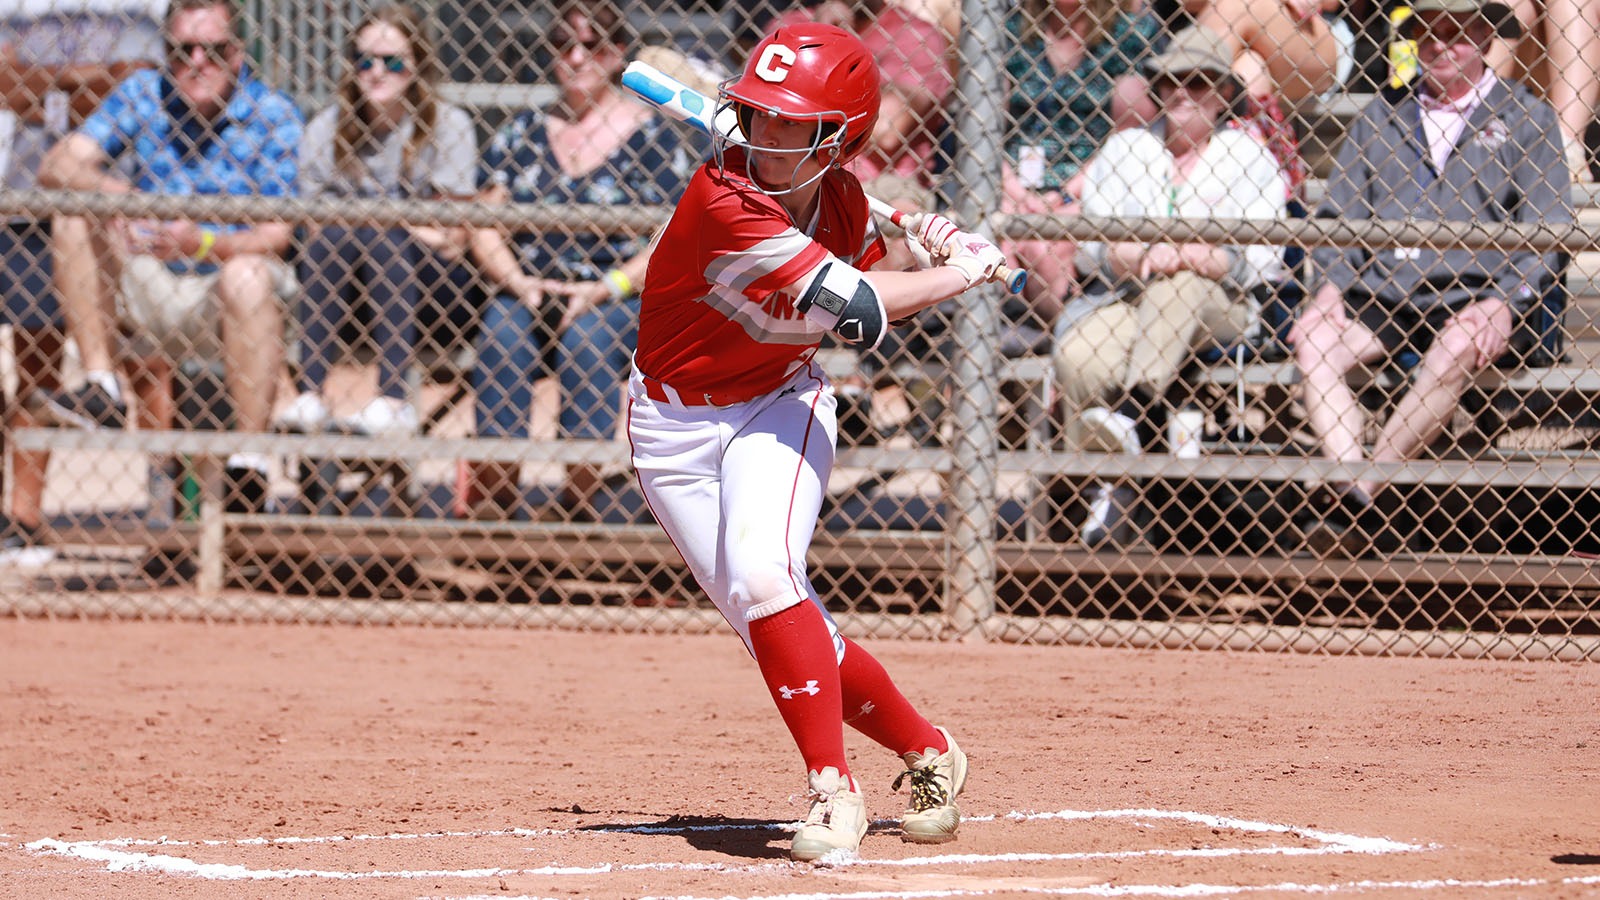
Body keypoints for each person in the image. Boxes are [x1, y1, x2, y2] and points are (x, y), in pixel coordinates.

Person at [627, 22, 1000, 860]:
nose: (766, 134)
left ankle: (833, 792)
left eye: (791, 123)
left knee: (767, 578)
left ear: (839, 140)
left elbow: (875, 271)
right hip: (670, 424)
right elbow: (859, 307)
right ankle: (930, 749)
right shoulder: (722, 201)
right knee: (773, 619)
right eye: (759, 114)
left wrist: (919, 242)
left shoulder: (844, 202)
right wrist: (962, 271)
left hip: (777, 402)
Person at [1288, 0, 1570, 555]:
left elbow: (1549, 233)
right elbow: (1339, 219)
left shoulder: (1526, 117)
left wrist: (1506, 302)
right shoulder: (1382, 114)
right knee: (1314, 342)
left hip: (1480, 293)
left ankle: (1358, 499)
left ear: (1485, 37)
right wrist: (1329, 290)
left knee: (1457, 345)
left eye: (1457, 32)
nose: (1440, 44)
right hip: (1388, 291)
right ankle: (1356, 494)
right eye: (1430, 31)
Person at [36, 0, 303, 513]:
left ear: (238, 54)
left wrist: (201, 242)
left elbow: (277, 236)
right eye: (182, 51)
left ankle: (248, 460)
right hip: (152, 278)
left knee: (247, 274)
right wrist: (124, 199)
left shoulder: (273, 113)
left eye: (214, 50)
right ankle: (101, 387)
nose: (197, 63)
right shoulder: (145, 93)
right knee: (73, 211)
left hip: (228, 291)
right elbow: (57, 164)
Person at [461, 0, 704, 521]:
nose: (575, 57)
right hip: (529, 285)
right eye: (562, 44)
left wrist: (607, 286)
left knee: (585, 341)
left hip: (616, 292)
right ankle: (497, 503)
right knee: (502, 336)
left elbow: (673, 238)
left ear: (617, 53)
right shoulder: (524, 130)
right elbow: (483, 222)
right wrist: (518, 281)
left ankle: (577, 502)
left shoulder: (652, 137)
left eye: (591, 44)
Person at [1055, 25, 1288, 547]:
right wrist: (1133, 254)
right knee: (1078, 354)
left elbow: (1266, 258)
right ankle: (1114, 480)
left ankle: (1131, 415)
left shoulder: (1248, 153)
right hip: (1133, 295)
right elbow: (1090, 246)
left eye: (1199, 81)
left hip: (1224, 302)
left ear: (1223, 93)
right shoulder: (1128, 147)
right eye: (1170, 80)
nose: (1182, 91)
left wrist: (1204, 256)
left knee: (1180, 282)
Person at [0, 0, 163, 563]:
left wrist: (48, 81)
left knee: (148, 362)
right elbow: (8, 86)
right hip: (25, 195)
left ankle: (164, 518)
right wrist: (85, 81)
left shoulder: (138, 5)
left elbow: (135, 85)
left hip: (123, 194)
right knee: (36, 356)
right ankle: (22, 518)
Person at [274, 3, 479, 439]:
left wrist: (379, 223)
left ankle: (393, 400)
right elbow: (315, 230)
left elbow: (453, 237)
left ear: (418, 66)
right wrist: (391, 222)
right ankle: (311, 395)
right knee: (341, 235)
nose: (377, 73)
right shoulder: (327, 128)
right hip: (346, 288)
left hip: (435, 294)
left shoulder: (448, 125)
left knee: (381, 235)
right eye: (365, 60)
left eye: (393, 62)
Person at [1001, 0, 1166, 341]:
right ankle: (1004, 335)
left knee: (1045, 249)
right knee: (996, 234)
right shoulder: (1012, 30)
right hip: (1011, 180)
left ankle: (1055, 335)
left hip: (1095, 177)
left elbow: (1131, 130)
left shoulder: (1128, 35)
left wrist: (1065, 194)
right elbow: (980, 123)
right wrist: (1015, 191)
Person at [771, 0, 953, 186]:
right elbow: (765, 104)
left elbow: (886, 129)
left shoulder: (914, 33)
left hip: (878, 184)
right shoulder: (790, 25)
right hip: (790, 173)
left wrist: (833, 51)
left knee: (900, 200)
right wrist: (819, 36)